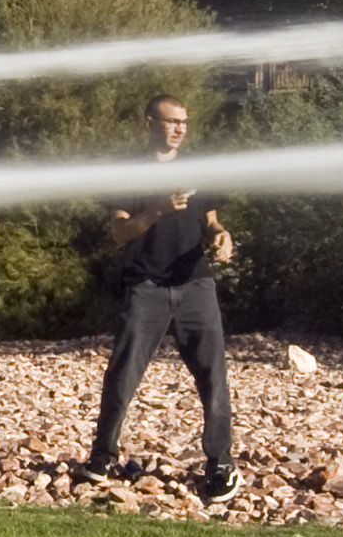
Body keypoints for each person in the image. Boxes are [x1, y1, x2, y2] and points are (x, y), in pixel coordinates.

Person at [82, 95, 237, 500]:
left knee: (213, 378)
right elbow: (119, 233)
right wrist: (156, 210)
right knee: (122, 376)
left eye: (184, 122)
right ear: (150, 122)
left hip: (196, 286)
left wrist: (222, 237)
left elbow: (212, 222)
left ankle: (220, 464)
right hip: (145, 288)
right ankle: (103, 456)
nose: (180, 129)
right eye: (172, 122)